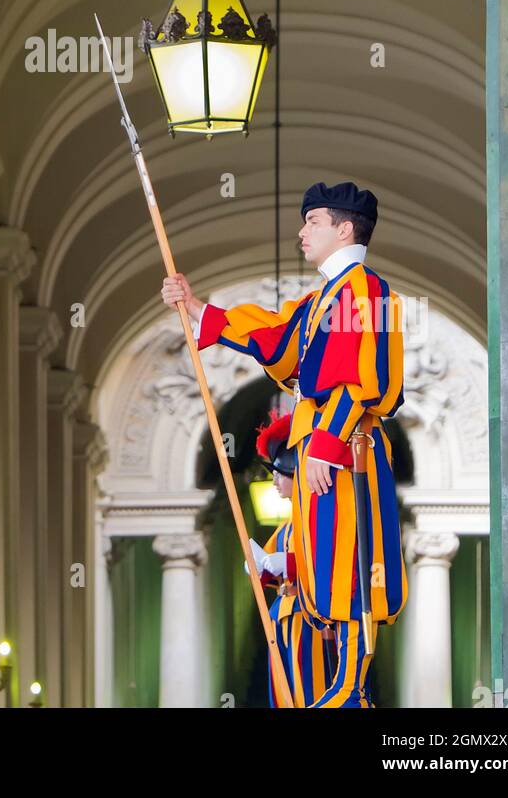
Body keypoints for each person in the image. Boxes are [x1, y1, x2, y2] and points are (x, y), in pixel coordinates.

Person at [162, 180, 407, 708]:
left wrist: (322, 444)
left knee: (352, 565)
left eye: (312, 222)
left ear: (344, 229)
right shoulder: (322, 298)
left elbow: (362, 379)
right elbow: (275, 338)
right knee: (325, 563)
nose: (302, 232)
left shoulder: (367, 291)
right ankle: (342, 682)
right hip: (328, 450)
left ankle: (349, 682)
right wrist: (199, 307)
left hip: (347, 452)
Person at [246, 412, 333, 708]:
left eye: (278, 474)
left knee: (309, 688)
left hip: (309, 614)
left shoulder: (317, 521)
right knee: (283, 694)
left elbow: (329, 563)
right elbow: (269, 575)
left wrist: (291, 564)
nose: (274, 482)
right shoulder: (285, 528)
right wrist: (260, 568)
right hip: (281, 614)